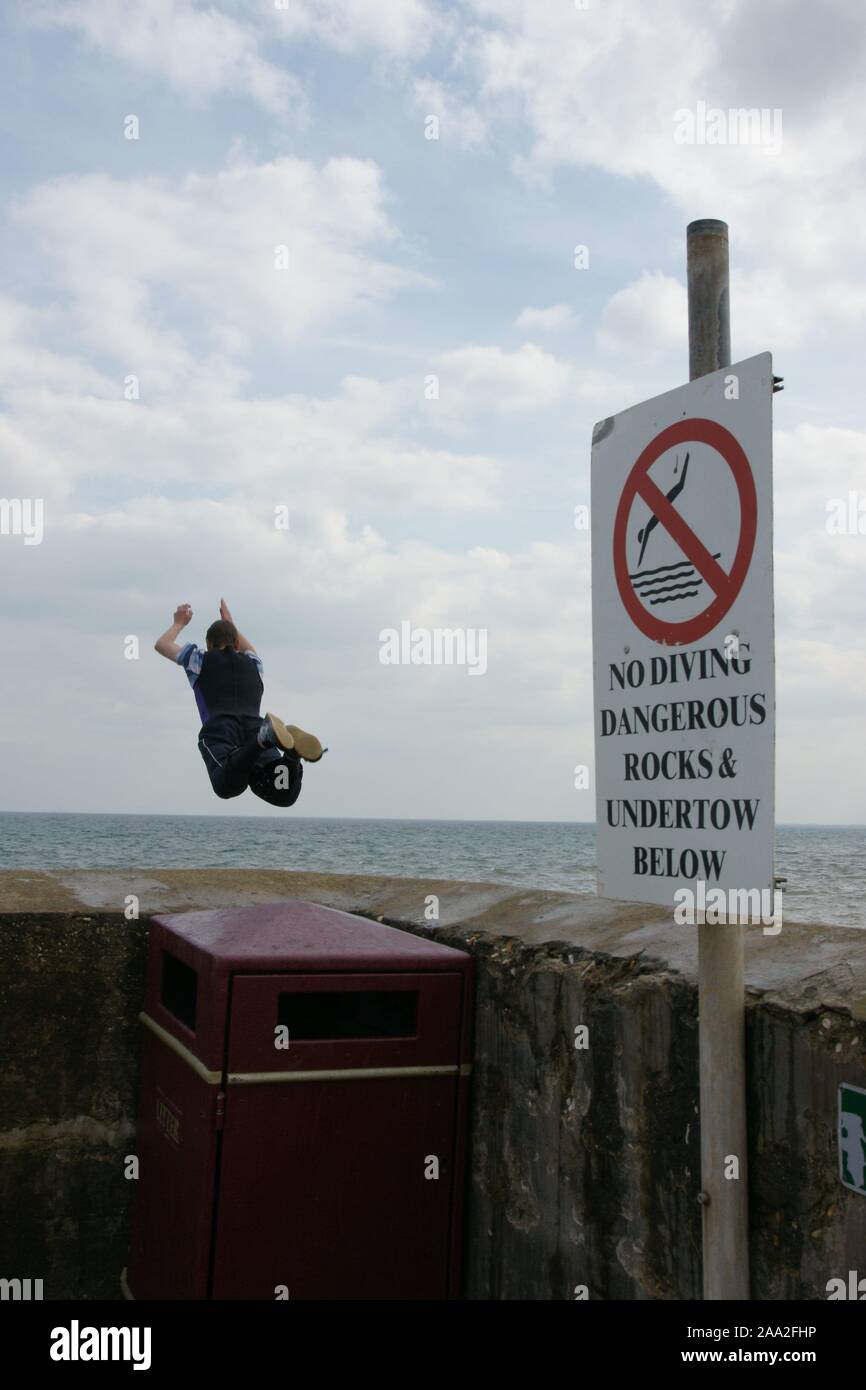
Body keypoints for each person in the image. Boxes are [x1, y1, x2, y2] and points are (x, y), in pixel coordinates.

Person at [154, 599, 325, 808]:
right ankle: (290, 757)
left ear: (208, 645)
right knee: (281, 793)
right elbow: (248, 648)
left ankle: (263, 740)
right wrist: (231, 623)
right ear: (237, 644)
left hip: (221, 732)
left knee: (226, 785)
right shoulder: (255, 663)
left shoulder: (198, 660)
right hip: (256, 727)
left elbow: (162, 645)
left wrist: (179, 623)